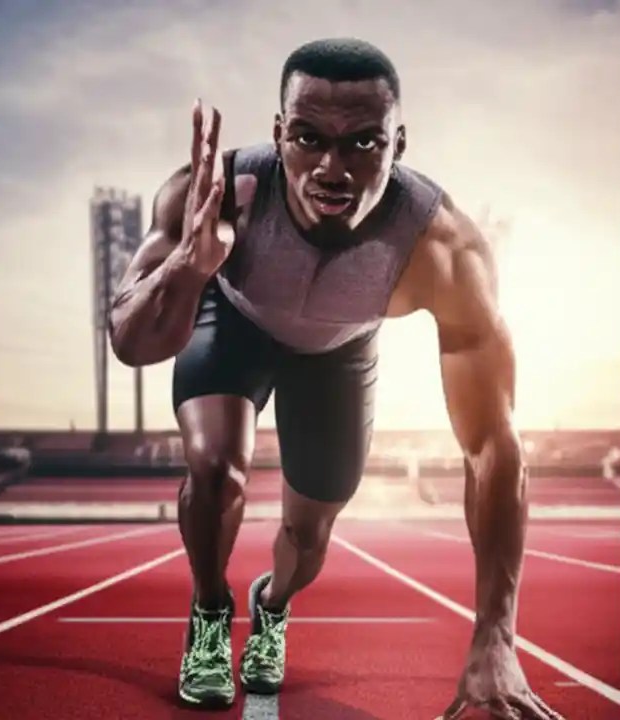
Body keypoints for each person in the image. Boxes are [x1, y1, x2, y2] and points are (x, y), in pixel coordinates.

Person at [109, 38, 563, 720]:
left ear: (397, 144)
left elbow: (494, 447)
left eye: (362, 144)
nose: (332, 166)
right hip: (231, 321)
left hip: (339, 353)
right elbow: (129, 344)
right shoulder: (212, 196)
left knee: (310, 537)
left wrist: (496, 637)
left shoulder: (443, 249)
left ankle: (271, 605)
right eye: (308, 138)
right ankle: (209, 609)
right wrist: (187, 269)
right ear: (277, 135)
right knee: (214, 469)